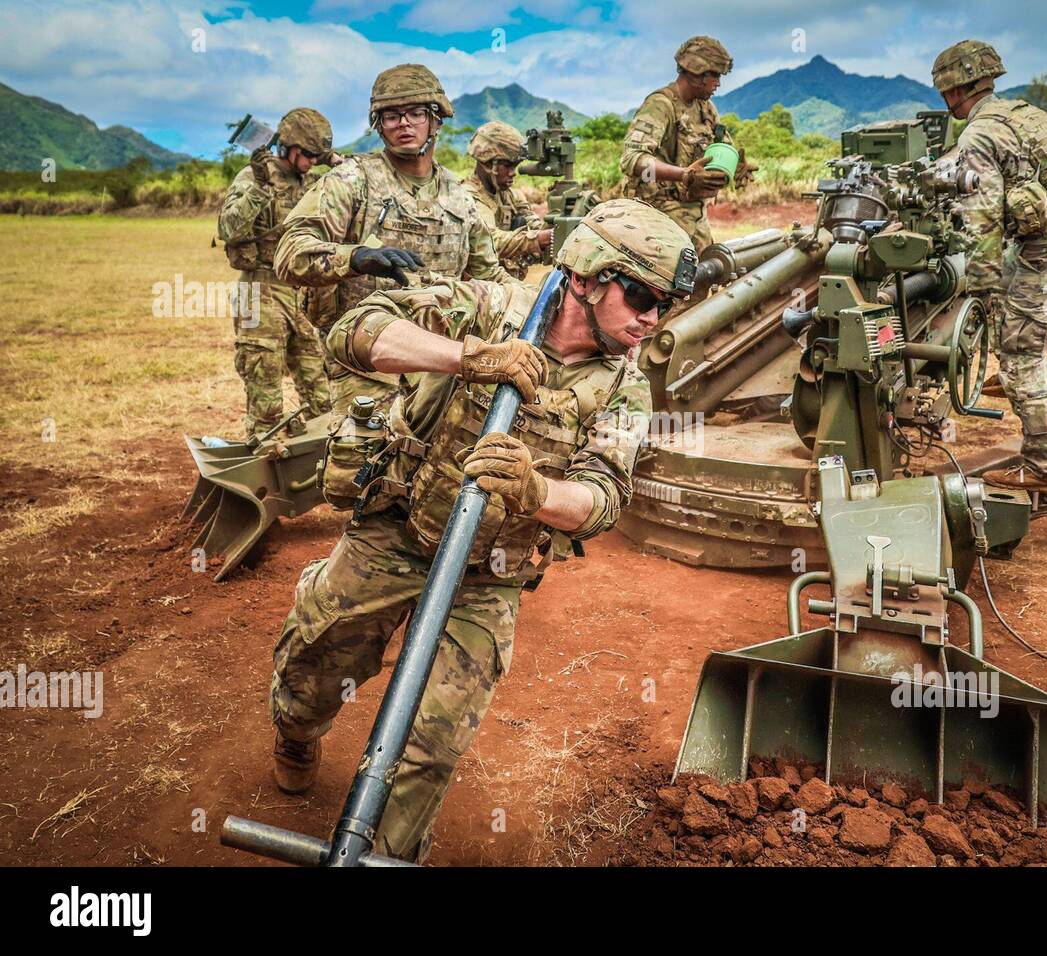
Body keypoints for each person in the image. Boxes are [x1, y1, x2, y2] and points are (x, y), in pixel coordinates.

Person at [267, 199, 698, 862]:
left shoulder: (623, 387)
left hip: (486, 576)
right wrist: (465, 356)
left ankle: (384, 854)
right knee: (313, 675)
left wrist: (536, 491)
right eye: (641, 293)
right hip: (397, 532)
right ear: (585, 278)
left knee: (432, 745)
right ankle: (297, 731)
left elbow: (604, 499)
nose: (651, 317)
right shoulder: (491, 307)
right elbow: (354, 330)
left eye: (663, 304)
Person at [274, 64, 515, 415]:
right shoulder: (353, 181)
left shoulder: (459, 198)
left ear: (435, 119)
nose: (403, 123)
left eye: (415, 113)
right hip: (364, 364)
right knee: (358, 466)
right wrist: (355, 258)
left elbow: (490, 279)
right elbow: (290, 252)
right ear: (379, 125)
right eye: (391, 116)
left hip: (440, 369)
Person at [932, 39, 1047, 496]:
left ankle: (1046, 467)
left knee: (1020, 354)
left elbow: (982, 221)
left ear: (950, 92)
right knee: (1022, 322)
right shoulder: (1031, 116)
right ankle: (1018, 373)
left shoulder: (978, 134)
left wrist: (983, 291)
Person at [217, 107, 333, 437]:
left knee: (323, 394)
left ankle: (317, 472)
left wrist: (336, 164)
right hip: (261, 289)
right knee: (265, 394)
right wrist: (259, 189)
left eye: (317, 155)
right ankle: (264, 473)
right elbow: (228, 229)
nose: (312, 161)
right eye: (308, 154)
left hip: (305, 290)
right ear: (288, 147)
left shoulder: (314, 182)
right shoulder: (254, 177)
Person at [619, 35, 755, 252]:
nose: (718, 84)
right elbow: (633, 159)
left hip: (694, 215)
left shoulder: (706, 109)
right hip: (658, 216)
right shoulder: (660, 105)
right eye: (716, 76)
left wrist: (736, 166)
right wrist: (684, 175)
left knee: (707, 275)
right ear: (699, 73)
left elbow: (721, 148)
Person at [463, 120, 552, 279]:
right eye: (507, 165)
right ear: (487, 163)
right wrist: (539, 239)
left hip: (507, 281)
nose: (513, 173)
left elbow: (534, 225)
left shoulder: (512, 196)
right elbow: (491, 240)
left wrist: (554, 225)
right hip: (479, 285)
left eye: (515, 165)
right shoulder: (468, 197)